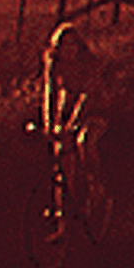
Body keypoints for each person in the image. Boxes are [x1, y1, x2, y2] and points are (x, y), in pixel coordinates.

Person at [40, 22, 106, 199]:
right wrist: (49, 124)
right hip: (68, 109)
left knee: (84, 141)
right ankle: (66, 197)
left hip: (94, 110)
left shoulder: (88, 65)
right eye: (64, 46)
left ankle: (95, 183)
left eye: (72, 44)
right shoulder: (55, 65)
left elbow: (87, 96)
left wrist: (70, 124)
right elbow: (50, 94)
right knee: (62, 152)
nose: (69, 50)